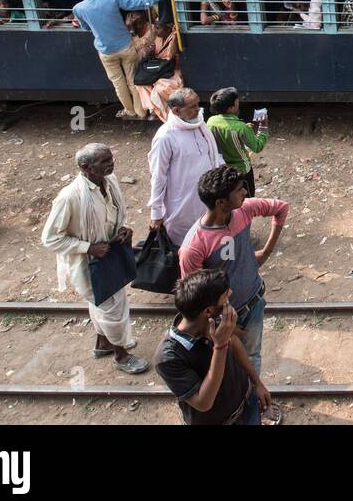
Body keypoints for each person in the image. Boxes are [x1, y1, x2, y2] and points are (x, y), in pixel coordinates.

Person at [178, 165, 287, 424]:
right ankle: (245, 409)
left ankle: (255, 404)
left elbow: (281, 208)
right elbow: (193, 300)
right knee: (230, 366)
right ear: (221, 202)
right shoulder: (194, 247)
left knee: (253, 357)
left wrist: (267, 251)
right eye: (240, 190)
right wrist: (223, 325)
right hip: (227, 319)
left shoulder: (244, 211)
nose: (246, 193)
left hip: (254, 302)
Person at [41, 143, 149, 373]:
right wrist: (88, 247)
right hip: (89, 262)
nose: (111, 164)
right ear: (85, 167)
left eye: (111, 159)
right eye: (104, 161)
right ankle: (121, 356)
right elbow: (50, 238)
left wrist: (123, 229)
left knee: (101, 302)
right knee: (113, 307)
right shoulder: (70, 197)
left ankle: (103, 343)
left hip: (111, 255)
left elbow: (115, 214)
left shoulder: (110, 182)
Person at [155, 268, 270, 425]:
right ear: (208, 311)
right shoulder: (169, 357)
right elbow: (203, 402)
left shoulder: (214, 320)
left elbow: (235, 343)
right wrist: (220, 345)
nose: (229, 305)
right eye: (225, 301)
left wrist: (257, 383)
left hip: (247, 406)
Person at [72, 0, 170, 119]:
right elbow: (145, 2)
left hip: (105, 52)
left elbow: (85, 28)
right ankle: (141, 112)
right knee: (132, 80)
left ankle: (130, 112)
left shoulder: (78, 9)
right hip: (126, 47)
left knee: (118, 84)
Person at [149, 87, 225, 247]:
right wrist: (156, 213)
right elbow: (158, 176)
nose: (198, 109)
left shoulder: (199, 124)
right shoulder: (165, 137)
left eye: (198, 104)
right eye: (193, 107)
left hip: (207, 195)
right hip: (182, 203)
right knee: (186, 244)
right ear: (177, 111)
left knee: (209, 237)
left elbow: (211, 153)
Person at [206, 87, 269, 196]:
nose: (238, 103)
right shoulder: (240, 128)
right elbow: (257, 147)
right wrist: (263, 125)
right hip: (242, 171)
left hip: (222, 170)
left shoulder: (211, 121)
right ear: (230, 108)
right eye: (236, 102)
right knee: (247, 201)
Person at [134, 16, 183, 123]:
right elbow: (154, 51)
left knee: (160, 87)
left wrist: (174, 35)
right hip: (159, 69)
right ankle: (154, 110)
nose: (155, 31)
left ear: (168, 27)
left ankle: (168, 117)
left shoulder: (175, 37)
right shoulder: (157, 38)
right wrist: (149, 50)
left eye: (158, 28)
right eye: (155, 28)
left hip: (172, 70)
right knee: (140, 83)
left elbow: (170, 54)